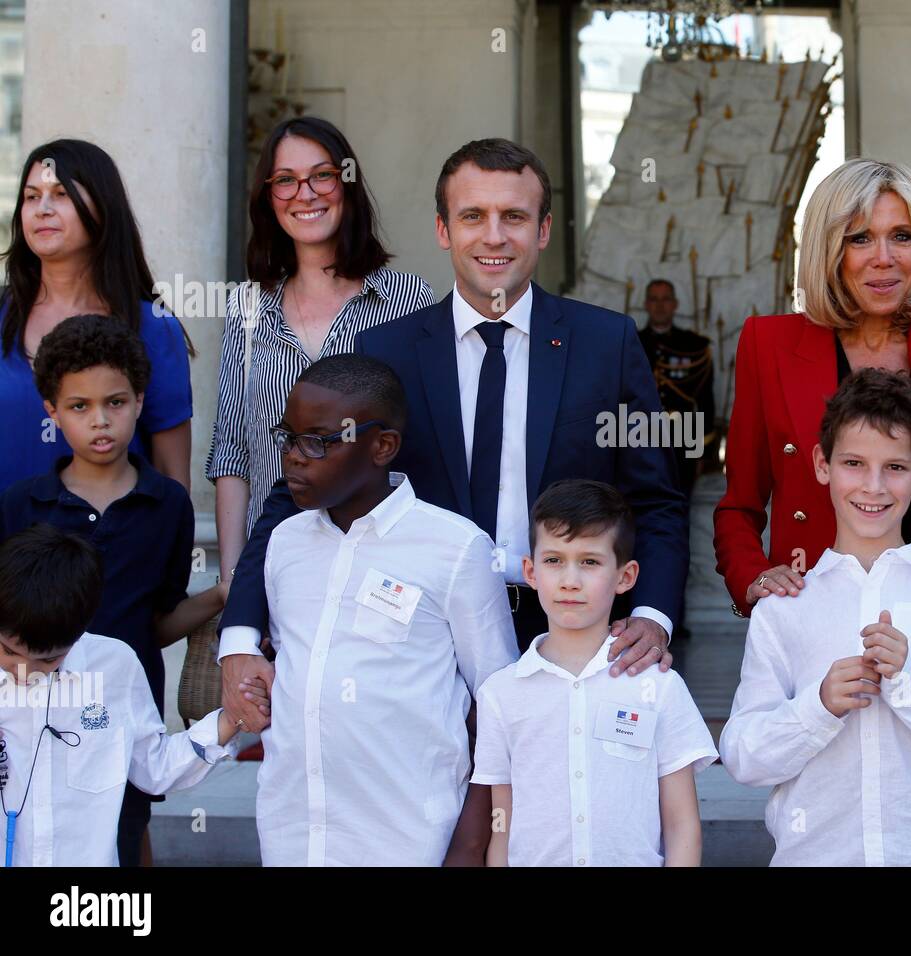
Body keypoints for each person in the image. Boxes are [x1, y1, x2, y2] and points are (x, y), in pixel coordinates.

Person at [219, 137, 685, 746]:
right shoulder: (383, 351)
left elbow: (656, 502)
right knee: (435, 832)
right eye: (473, 216)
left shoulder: (608, 344)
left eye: (513, 216)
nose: (494, 236)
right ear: (443, 230)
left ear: (543, 231)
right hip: (415, 646)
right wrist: (239, 636)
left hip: (571, 630)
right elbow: (297, 493)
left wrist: (651, 616)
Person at [720, 368, 911, 866]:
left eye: (895, 467)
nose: (874, 487)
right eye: (854, 463)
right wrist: (818, 705)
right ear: (822, 465)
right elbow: (743, 757)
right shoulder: (784, 607)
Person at [248, 354, 517, 865]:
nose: (295, 458)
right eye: (288, 437)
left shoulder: (456, 548)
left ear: (382, 446)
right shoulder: (285, 543)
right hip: (293, 835)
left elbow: (501, 707)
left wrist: (473, 841)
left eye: (318, 441)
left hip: (410, 839)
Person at [715, 158, 911, 631]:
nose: (883, 257)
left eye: (902, 236)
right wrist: (754, 579)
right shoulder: (769, 344)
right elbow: (739, 507)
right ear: (829, 250)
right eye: (859, 238)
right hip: (808, 610)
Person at [0, 315, 227, 866]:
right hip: (26, 717)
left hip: (121, 719)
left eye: (116, 403)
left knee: (117, 847)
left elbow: (160, 619)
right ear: (51, 410)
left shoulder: (168, 506)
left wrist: (221, 596)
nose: (100, 421)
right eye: (79, 407)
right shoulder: (21, 505)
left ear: (141, 400)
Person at [206, 116, 434, 583]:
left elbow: (425, 445)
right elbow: (232, 453)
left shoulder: (408, 298)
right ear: (268, 198)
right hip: (274, 565)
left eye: (322, 176)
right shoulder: (246, 306)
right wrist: (233, 576)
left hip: (379, 568)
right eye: (285, 181)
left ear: (346, 184)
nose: (305, 194)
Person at [473, 479, 717, 866]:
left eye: (590, 561)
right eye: (554, 560)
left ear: (626, 576)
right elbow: (501, 820)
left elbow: (682, 823)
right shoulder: (501, 694)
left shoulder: (657, 686)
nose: (570, 580)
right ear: (531, 572)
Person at [0, 524, 240, 867]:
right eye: (8, 652)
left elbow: (154, 768)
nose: (25, 668)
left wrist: (230, 720)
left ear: (80, 631)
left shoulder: (115, 666)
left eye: (49, 659)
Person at [0, 139, 193, 494]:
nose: (42, 208)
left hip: (110, 545)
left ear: (103, 207)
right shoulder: (2, 316)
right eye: (31, 196)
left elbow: (171, 476)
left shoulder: (152, 327)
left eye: (60, 194)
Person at [638, 278, 716, 499]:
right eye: (654, 299)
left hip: (682, 446)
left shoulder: (694, 346)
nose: (660, 305)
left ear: (675, 304)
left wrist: (702, 451)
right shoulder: (632, 342)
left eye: (665, 299)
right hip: (638, 443)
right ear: (645, 304)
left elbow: (705, 402)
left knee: (679, 509)